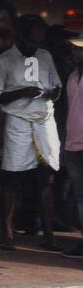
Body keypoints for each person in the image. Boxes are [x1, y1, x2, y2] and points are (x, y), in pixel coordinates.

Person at [0, 15, 62, 251]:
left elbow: (57, 87)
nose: (35, 45)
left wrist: (51, 93)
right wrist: (22, 92)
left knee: (48, 174)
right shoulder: (5, 60)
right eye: (31, 40)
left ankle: (48, 233)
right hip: (18, 120)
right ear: (21, 36)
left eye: (38, 41)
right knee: (12, 175)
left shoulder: (46, 56)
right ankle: (7, 231)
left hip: (44, 119)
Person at [61, 35, 83, 256]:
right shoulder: (72, 76)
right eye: (77, 50)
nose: (77, 54)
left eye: (80, 50)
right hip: (72, 143)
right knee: (80, 197)